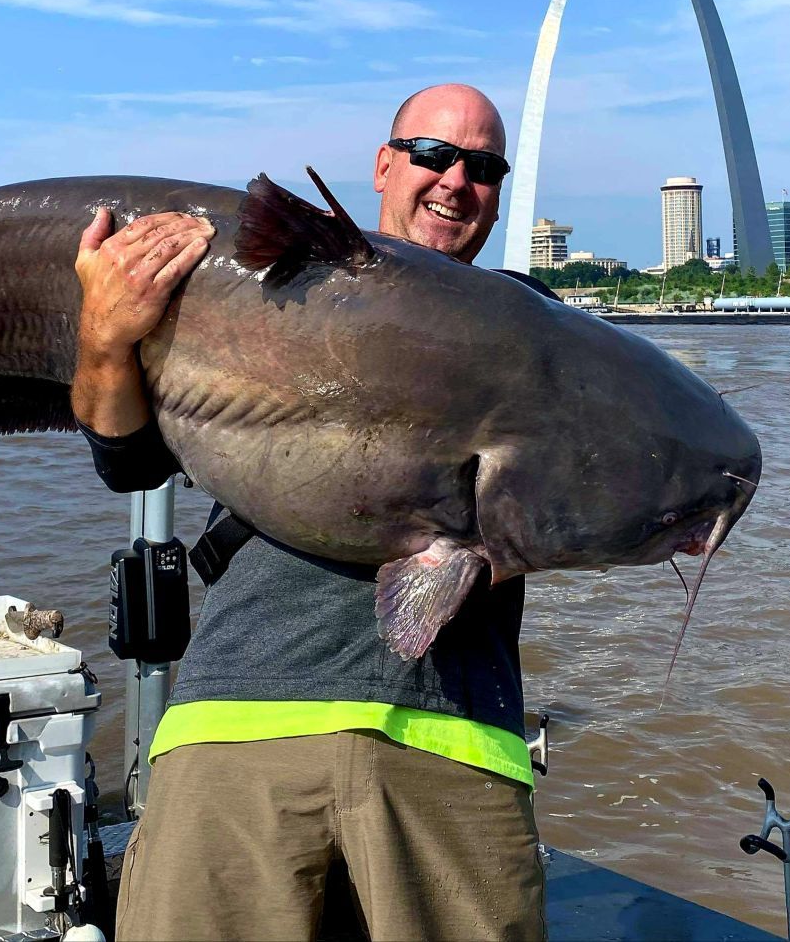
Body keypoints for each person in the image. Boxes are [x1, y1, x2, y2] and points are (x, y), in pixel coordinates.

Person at [72, 84, 548, 941]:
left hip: (449, 733)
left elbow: (594, 497)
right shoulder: (258, 296)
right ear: (383, 165)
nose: (455, 182)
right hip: (239, 715)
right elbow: (130, 462)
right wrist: (106, 337)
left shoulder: (533, 327)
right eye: (434, 155)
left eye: (483, 166)